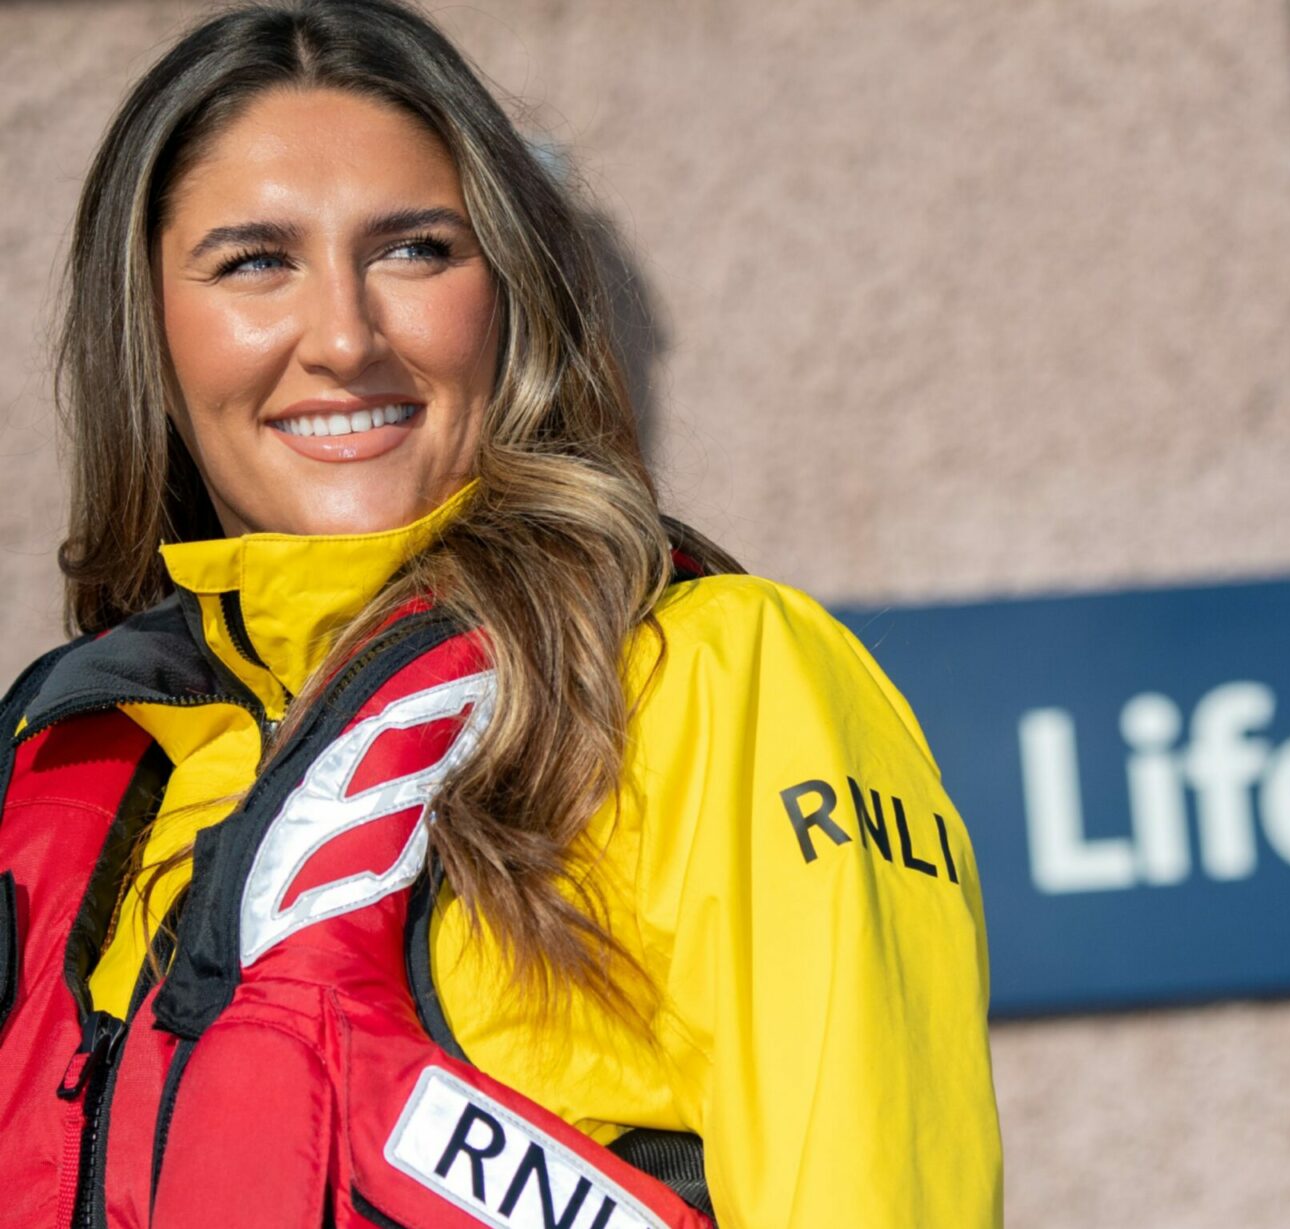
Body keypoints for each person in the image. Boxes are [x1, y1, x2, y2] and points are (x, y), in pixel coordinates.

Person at [0, 1, 1002, 1226]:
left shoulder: (708, 679)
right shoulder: (79, 773)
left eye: (413, 249)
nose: (344, 336)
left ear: (506, 293)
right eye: (256, 261)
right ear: (150, 330)